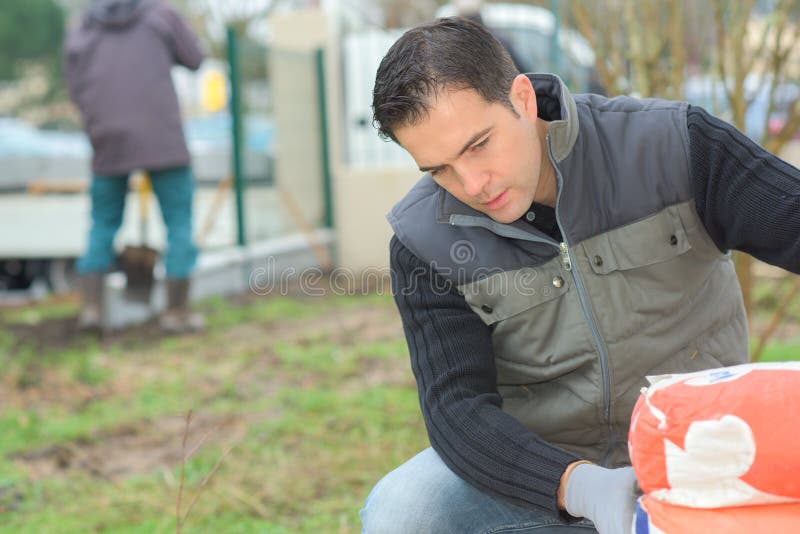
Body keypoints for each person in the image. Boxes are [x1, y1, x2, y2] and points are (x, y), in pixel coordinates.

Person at [361, 17, 800, 534]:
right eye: (439, 169)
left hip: (699, 450)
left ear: (522, 98)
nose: (472, 184)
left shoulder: (673, 146)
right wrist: (579, 486)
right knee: (402, 508)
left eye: (478, 144)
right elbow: (457, 414)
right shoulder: (422, 242)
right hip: (542, 476)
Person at [64, 0, 206, 333]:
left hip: (108, 137)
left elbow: (73, 85)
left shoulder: (85, 25)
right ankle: (177, 313)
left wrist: (97, 118)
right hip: (161, 136)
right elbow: (195, 58)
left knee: (102, 223)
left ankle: (92, 310)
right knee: (179, 222)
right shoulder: (161, 15)